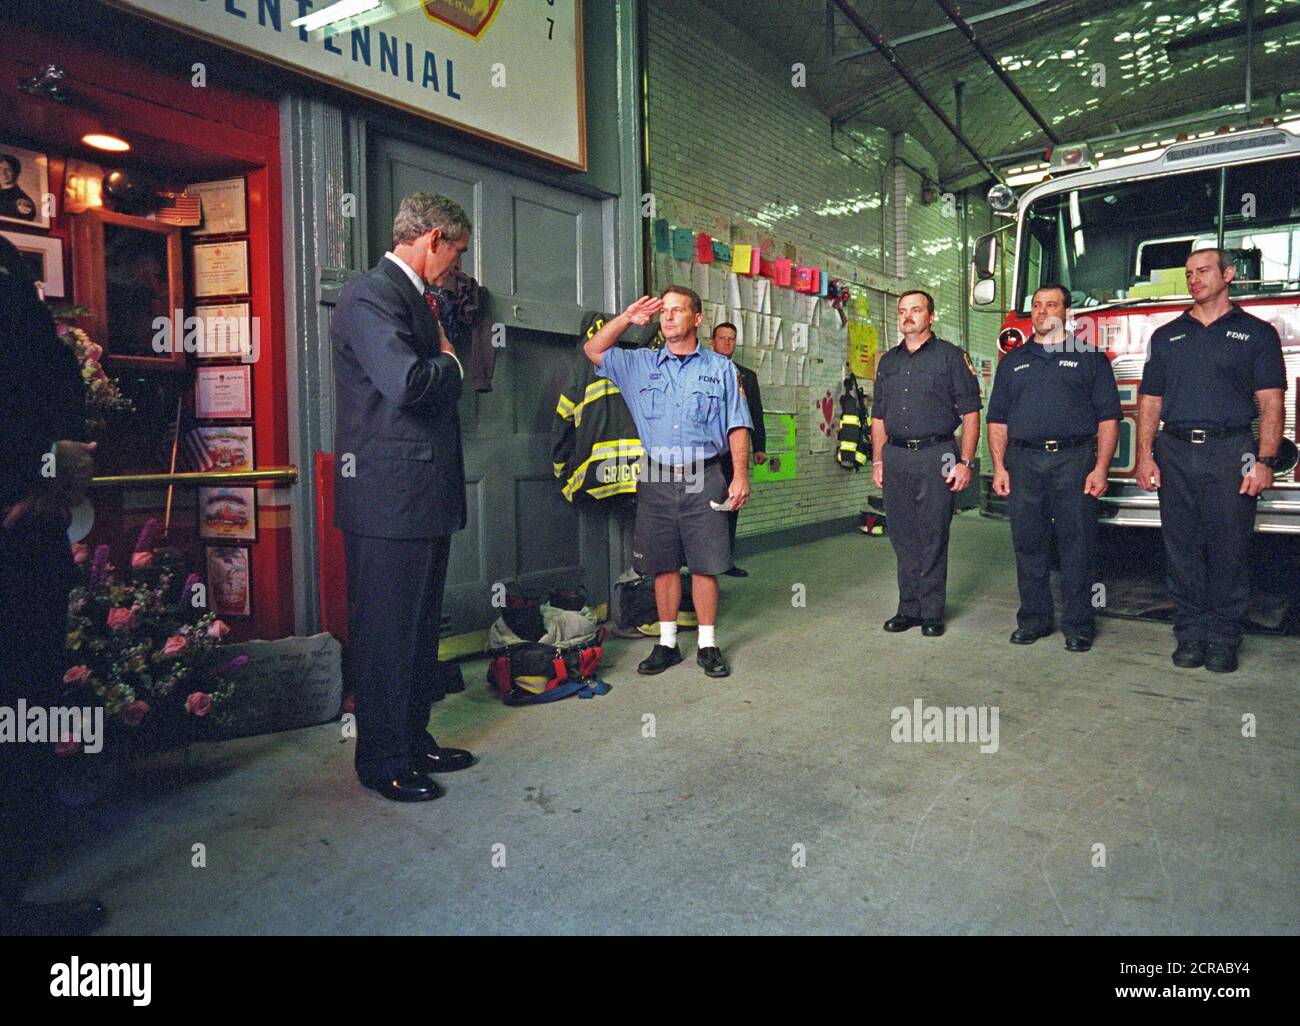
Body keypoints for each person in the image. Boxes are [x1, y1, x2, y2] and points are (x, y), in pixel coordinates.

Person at [332, 192, 476, 802]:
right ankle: (381, 760)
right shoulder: (372, 293)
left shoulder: (415, 296)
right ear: (433, 237)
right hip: (389, 498)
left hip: (418, 495)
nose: (458, 266)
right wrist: (454, 364)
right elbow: (409, 382)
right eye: (458, 252)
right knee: (387, 633)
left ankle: (413, 741)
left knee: (418, 631)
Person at [0, 235, 105, 934]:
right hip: (14, 519)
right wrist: (26, 479)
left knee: (25, 705)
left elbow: (47, 374)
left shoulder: (7, 257)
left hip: (29, 526)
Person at [583, 287, 752, 678]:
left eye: (678, 311)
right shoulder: (640, 363)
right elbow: (594, 350)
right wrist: (627, 318)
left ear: (698, 319)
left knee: (706, 565)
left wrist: (740, 475)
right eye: (665, 312)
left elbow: (737, 425)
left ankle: (708, 645)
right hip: (657, 474)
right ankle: (668, 643)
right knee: (662, 565)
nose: (669, 317)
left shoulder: (721, 369)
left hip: (704, 473)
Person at [1135, 247, 1286, 674]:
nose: (1194, 279)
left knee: (1230, 549)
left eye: (1203, 271)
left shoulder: (1257, 333)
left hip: (1231, 450)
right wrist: (1145, 455)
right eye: (1188, 273)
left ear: (1228, 275)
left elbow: (1272, 402)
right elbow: (1151, 399)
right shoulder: (1166, 335)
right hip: (1176, 450)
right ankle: (1189, 635)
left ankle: (1223, 638)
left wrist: (1266, 460)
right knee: (1181, 549)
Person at [987, 284, 1120, 652]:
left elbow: (1109, 419)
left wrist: (1101, 468)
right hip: (1024, 461)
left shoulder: (1090, 359)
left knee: (1077, 544)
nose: (1042, 311)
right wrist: (999, 466)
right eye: (1036, 306)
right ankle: (1034, 619)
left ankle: (1078, 624)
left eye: (1051, 305)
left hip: (1074, 460)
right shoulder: (1014, 362)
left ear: (1066, 312)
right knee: (1028, 543)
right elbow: (997, 420)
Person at [870, 290, 981, 636]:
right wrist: (878, 460)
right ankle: (909, 608)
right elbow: (878, 417)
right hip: (896, 455)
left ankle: (932, 611)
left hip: (938, 454)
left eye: (915, 310)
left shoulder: (950, 357)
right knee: (902, 536)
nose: (907, 316)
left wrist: (966, 462)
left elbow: (971, 413)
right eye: (902, 311)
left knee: (933, 533)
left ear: (931, 316)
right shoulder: (888, 362)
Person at [708, 321, 765, 577]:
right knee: (703, 505)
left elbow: (755, 413)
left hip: (734, 453)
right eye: (723, 338)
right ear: (713, 341)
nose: (728, 343)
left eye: (732, 339)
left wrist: (759, 447)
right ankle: (701, 560)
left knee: (732, 506)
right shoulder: (702, 370)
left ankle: (726, 561)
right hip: (707, 454)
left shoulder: (746, 376)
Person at [0, 154, 37, 222]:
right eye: (0, 169)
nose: (3, 173)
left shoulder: (24, 201)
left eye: (8, 169)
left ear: (16, 172)